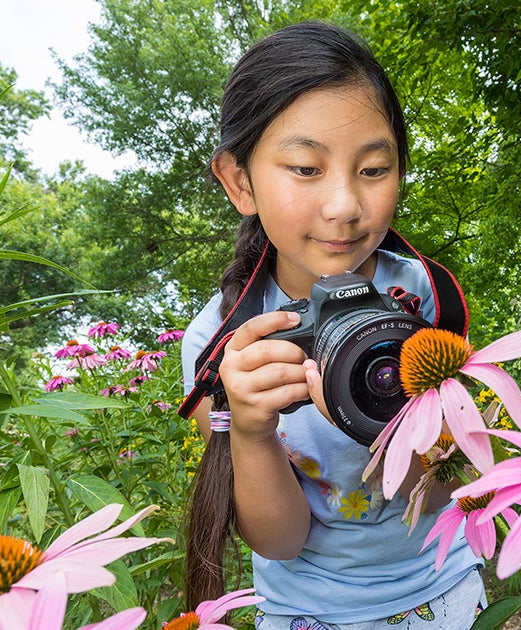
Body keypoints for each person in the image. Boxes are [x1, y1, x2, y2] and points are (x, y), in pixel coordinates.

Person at [179, 20, 485, 629]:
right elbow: (280, 541)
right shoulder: (224, 345)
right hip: (308, 613)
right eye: (305, 168)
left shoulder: (421, 294)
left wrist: (378, 420)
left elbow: (451, 492)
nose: (345, 205)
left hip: (446, 584)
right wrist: (251, 431)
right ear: (240, 181)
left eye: (373, 170)